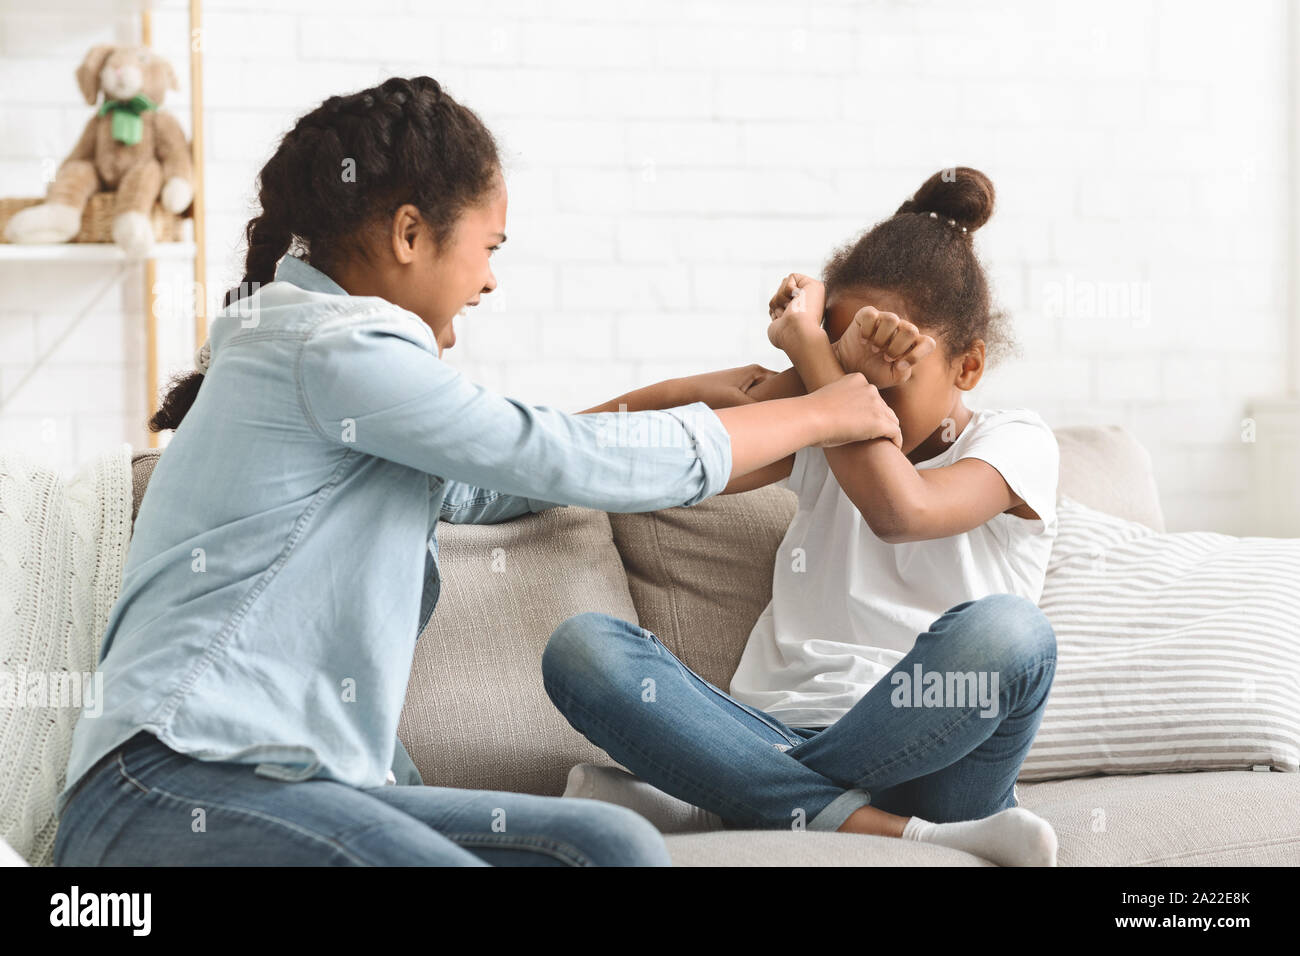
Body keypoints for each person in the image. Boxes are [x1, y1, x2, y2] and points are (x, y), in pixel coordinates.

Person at [51, 76, 900, 867]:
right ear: (410, 233)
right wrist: (829, 410)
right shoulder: (329, 345)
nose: (491, 280)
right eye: (489, 247)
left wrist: (689, 394)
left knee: (611, 843)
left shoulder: (327, 360)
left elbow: (509, 478)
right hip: (174, 785)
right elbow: (553, 453)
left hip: (298, 793)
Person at [541, 168, 1063, 867]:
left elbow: (900, 510)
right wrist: (811, 363)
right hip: (766, 724)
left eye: (891, 373)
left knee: (1013, 634)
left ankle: (719, 794)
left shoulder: (1015, 442)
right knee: (584, 650)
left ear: (968, 367)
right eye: (851, 368)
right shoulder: (818, 426)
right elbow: (628, 445)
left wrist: (814, 353)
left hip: (942, 763)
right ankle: (879, 829)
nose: (862, 396)